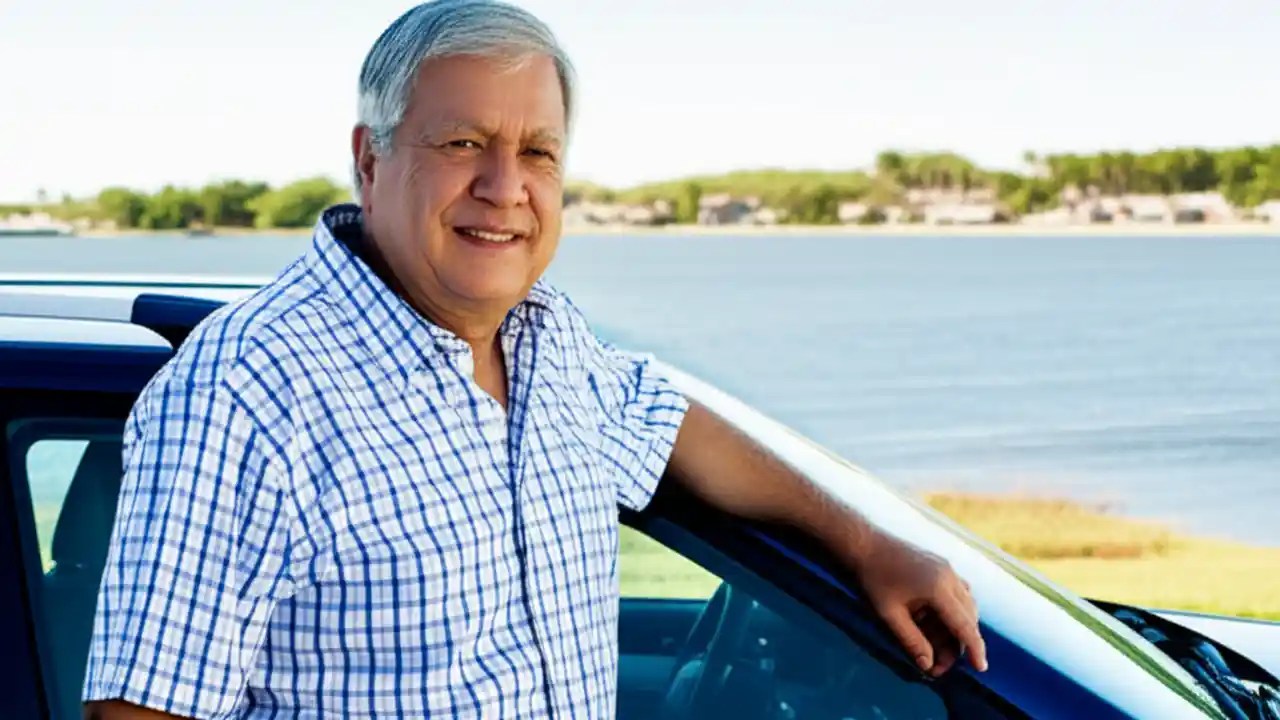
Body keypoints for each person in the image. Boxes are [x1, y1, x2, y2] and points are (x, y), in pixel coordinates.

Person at [82, 1, 986, 717]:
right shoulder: (246, 389)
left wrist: (866, 543)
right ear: (370, 158)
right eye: (463, 143)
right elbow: (144, 713)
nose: (504, 187)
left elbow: (672, 426)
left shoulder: (546, 341)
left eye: (537, 152)